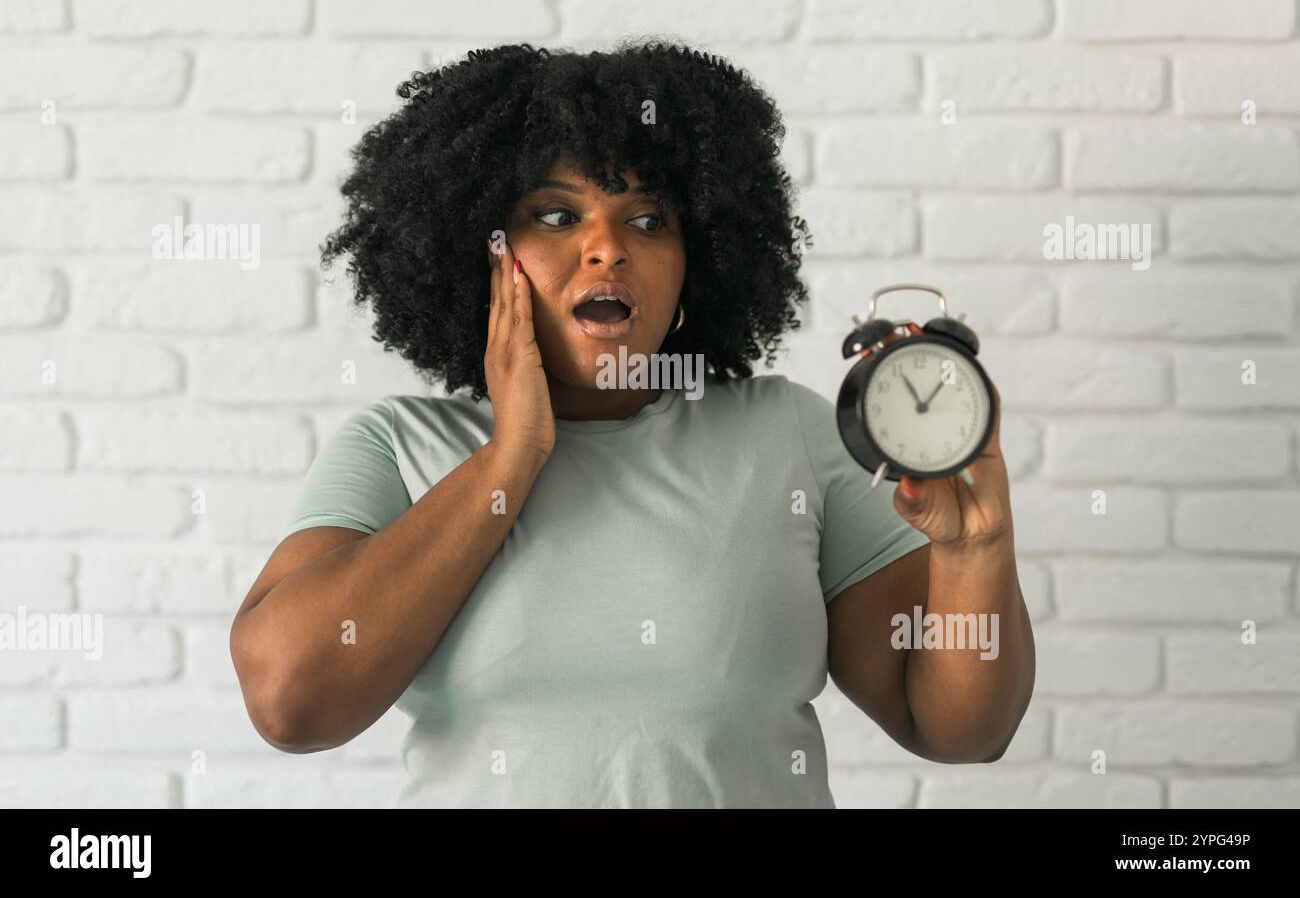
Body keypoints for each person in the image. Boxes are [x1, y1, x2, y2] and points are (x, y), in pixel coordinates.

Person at [229, 40, 1035, 808]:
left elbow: (960, 730)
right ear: (484, 248)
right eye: (554, 215)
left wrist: (973, 553)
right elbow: (290, 702)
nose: (606, 249)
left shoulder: (786, 434)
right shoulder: (400, 446)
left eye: (648, 220)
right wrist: (514, 454)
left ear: (699, 263)